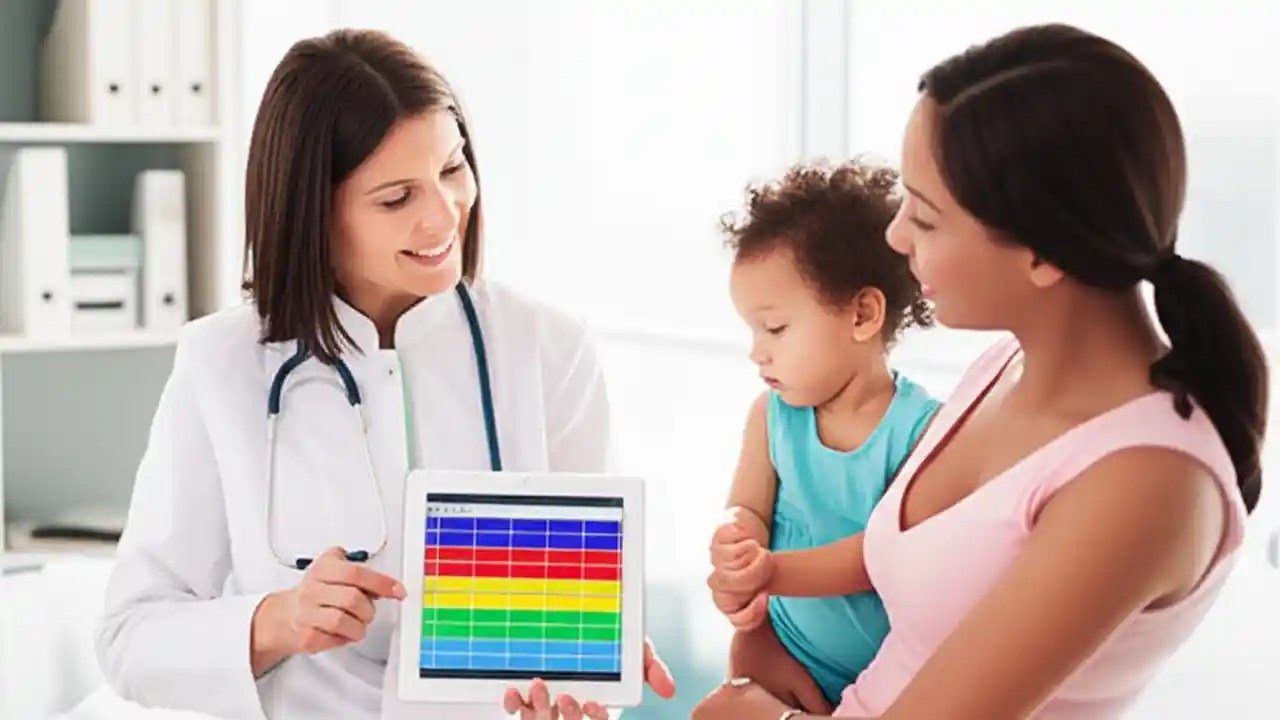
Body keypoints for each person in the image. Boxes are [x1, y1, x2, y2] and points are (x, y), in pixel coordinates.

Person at [93, 29, 673, 720]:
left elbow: (585, 615)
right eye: (397, 198)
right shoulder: (221, 365)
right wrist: (276, 621)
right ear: (313, 210)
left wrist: (590, 665)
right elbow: (130, 638)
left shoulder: (549, 349)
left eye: (452, 170)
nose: (444, 215)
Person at [694, 22, 1267, 719]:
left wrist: (751, 713)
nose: (894, 235)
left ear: (1042, 255)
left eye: (927, 219)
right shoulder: (1001, 369)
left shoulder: (1148, 484)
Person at [705, 160, 938, 709]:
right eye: (752, 330)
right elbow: (748, 507)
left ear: (862, 314)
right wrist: (737, 542)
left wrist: (770, 573)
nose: (757, 350)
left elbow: (882, 557)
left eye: (776, 328)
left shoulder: (921, 432)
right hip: (780, 658)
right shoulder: (772, 416)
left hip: (883, 687)